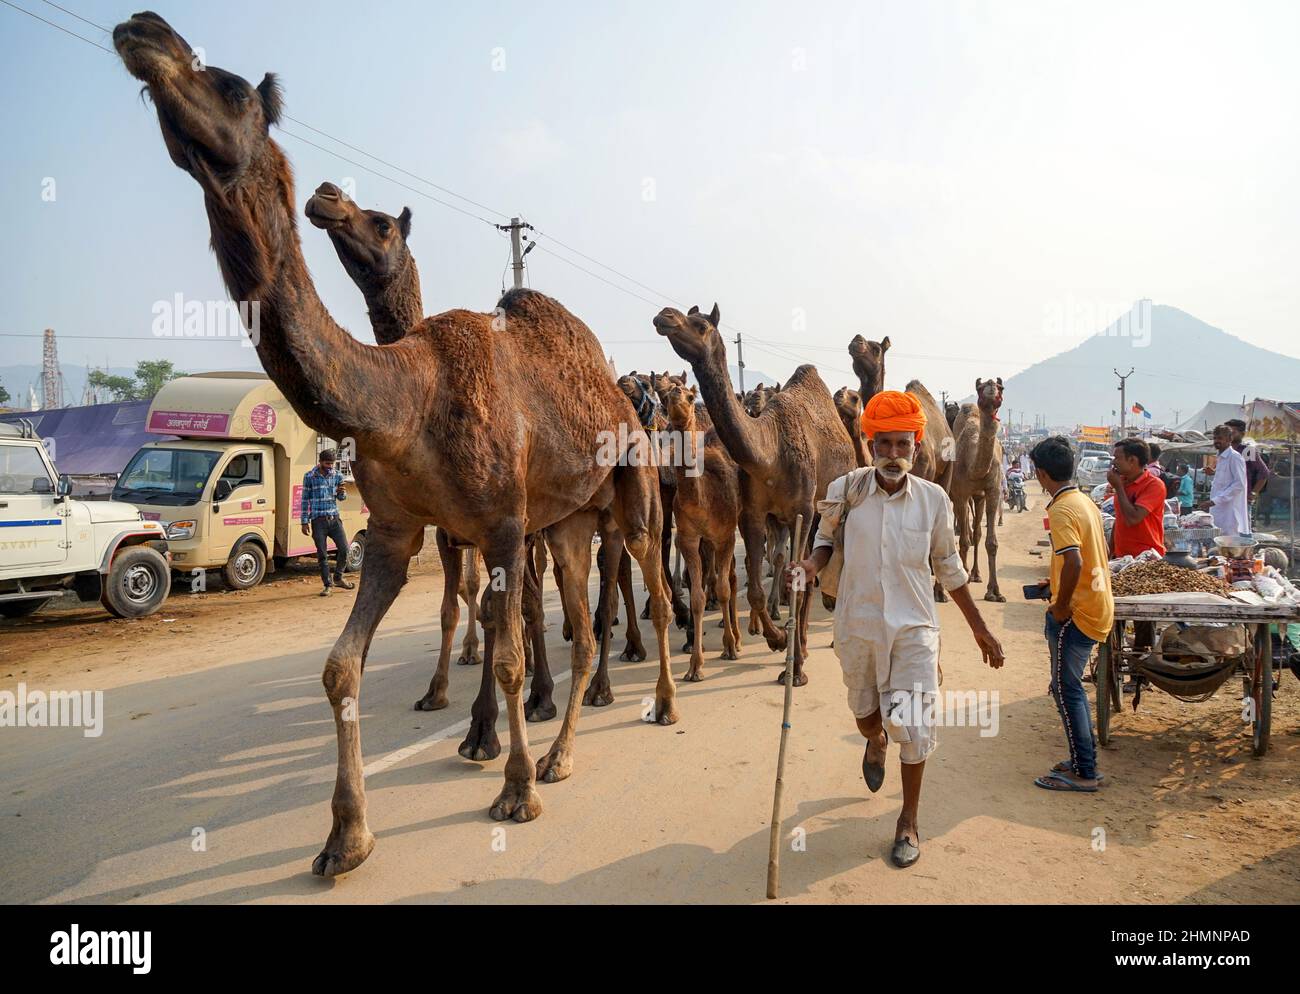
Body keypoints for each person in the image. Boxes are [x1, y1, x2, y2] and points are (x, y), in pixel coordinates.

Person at [786, 390, 1004, 868]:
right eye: (883, 445)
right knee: (867, 715)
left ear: (916, 445)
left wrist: (980, 630)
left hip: (914, 630)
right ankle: (874, 739)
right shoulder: (848, 489)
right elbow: (824, 540)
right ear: (870, 444)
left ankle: (908, 820)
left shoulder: (934, 500)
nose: (891, 455)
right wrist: (808, 565)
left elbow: (949, 568)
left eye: (901, 445)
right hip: (858, 625)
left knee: (912, 725)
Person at [1029, 436, 1114, 792]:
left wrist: (1062, 605)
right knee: (1069, 688)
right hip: (1095, 604)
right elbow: (1090, 555)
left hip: (1077, 613)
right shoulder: (1083, 501)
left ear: (1041, 473)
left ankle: (1085, 771)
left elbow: (1076, 560)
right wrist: (1056, 583)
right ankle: (1083, 759)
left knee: (1067, 690)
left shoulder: (1061, 508)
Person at [301, 448, 356, 597]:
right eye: (327, 463)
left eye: (332, 463)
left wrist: (341, 492)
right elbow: (305, 500)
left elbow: (342, 498)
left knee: (344, 549)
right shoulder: (309, 476)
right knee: (322, 555)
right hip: (318, 521)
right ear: (320, 462)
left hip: (334, 519)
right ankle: (327, 585)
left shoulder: (337, 475)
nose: (330, 466)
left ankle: (338, 577)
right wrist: (304, 522)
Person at [1108, 438, 1166, 559]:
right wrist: (1111, 549)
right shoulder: (1122, 481)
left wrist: (1118, 487)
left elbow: (1133, 519)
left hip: (1146, 558)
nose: (1113, 463)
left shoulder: (1154, 485)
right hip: (1121, 557)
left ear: (1132, 460)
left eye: (1117, 458)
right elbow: (1120, 517)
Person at [1207, 424, 1250, 536]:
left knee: (1229, 546)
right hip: (1218, 511)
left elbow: (1239, 484)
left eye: (1220, 438)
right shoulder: (1220, 458)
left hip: (1230, 514)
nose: (1216, 441)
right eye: (1215, 438)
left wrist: (1215, 501)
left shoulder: (1235, 457)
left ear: (1229, 439)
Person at [1225, 418, 1270, 508]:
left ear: (1242, 434)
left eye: (1232, 432)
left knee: (1242, 522)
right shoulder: (1224, 450)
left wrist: (1253, 493)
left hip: (1242, 499)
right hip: (1223, 497)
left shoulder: (1247, 451)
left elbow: (1264, 473)